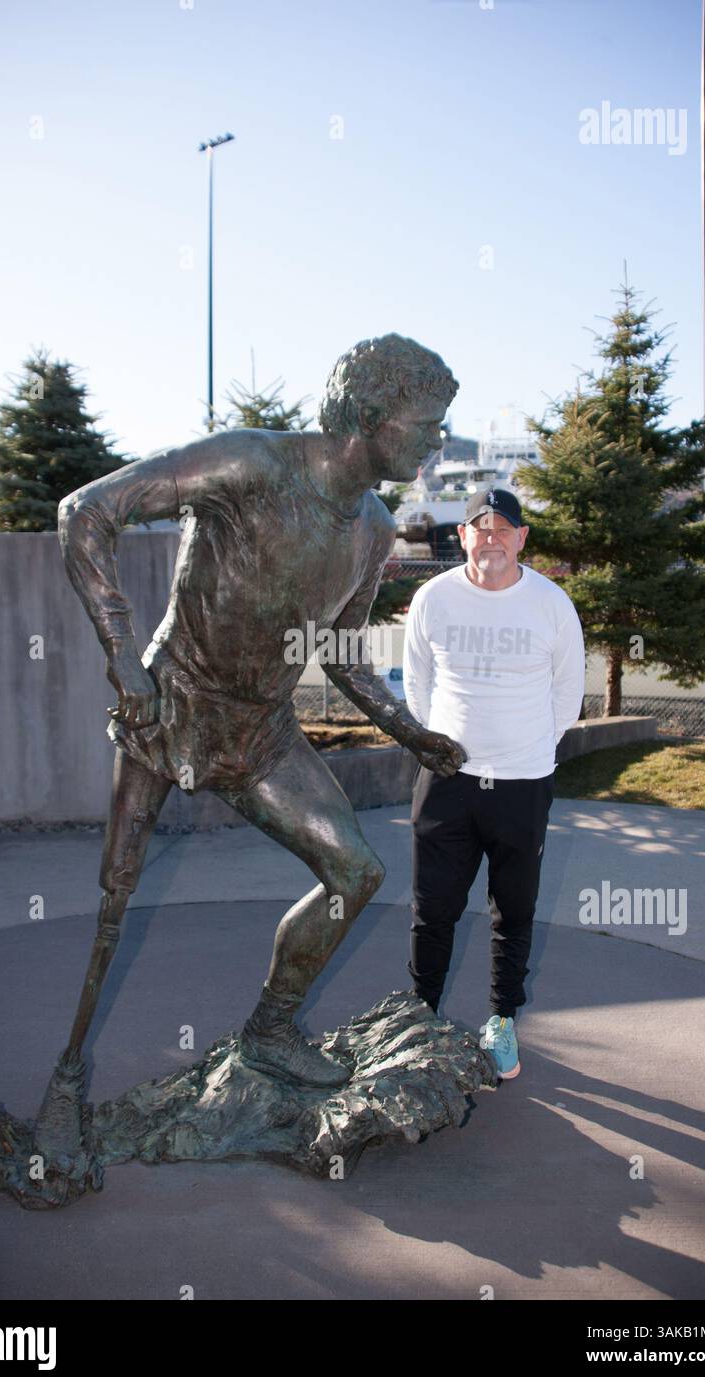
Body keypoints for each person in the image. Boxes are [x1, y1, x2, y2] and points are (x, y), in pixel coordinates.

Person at [56, 333, 468, 1093]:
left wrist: (411, 733)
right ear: (371, 415)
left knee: (355, 872)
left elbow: (341, 655)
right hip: (172, 706)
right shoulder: (248, 462)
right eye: (427, 424)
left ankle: (270, 1031)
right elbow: (87, 510)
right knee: (116, 897)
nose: (437, 441)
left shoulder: (374, 527)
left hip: (263, 732)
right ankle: (67, 1075)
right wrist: (121, 654)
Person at [402, 487, 585, 1079]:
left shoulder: (552, 603)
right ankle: (421, 1018)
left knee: (514, 911)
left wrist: (523, 748)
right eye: (480, 528)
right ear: (463, 537)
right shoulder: (433, 597)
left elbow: (567, 695)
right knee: (433, 909)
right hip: (447, 781)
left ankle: (502, 1020)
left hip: (522, 783)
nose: (491, 539)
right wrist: (448, 745)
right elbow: (417, 686)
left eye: (503, 528)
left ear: (521, 538)